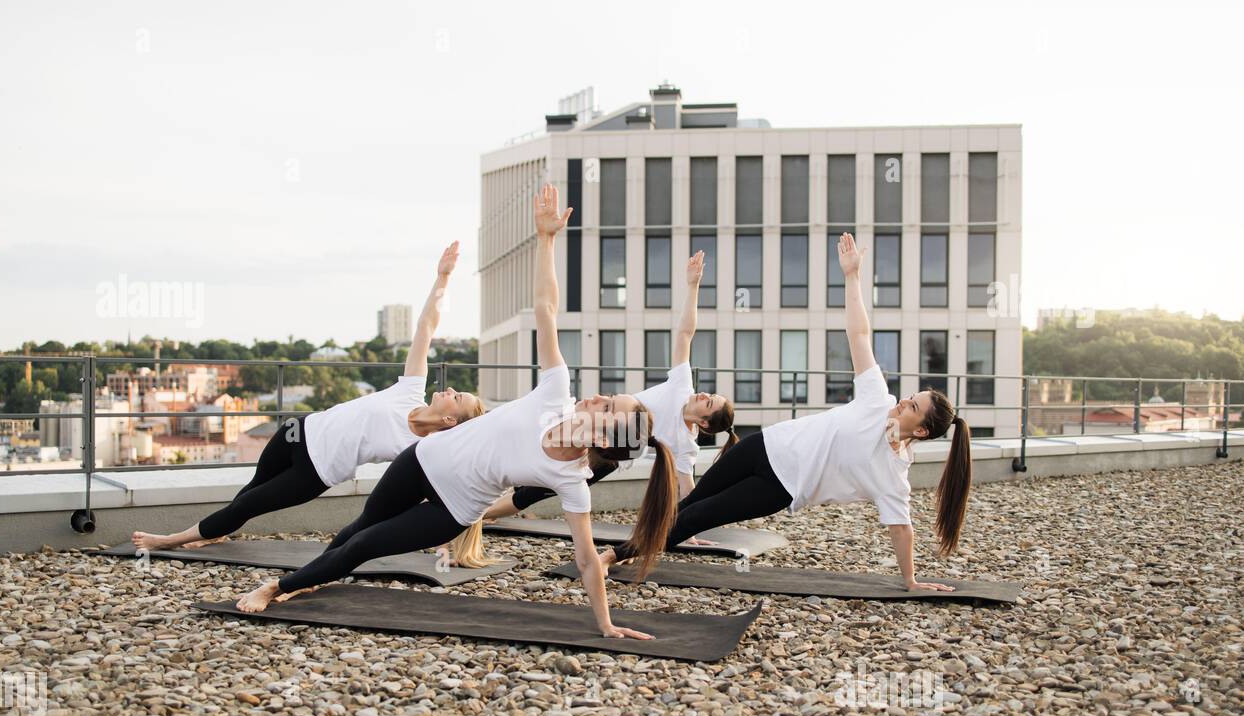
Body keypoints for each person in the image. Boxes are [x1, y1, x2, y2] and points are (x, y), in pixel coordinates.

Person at [233, 185, 680, 641]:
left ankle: (277, 587)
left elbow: (586, 559)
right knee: (360, 526)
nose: (598, 397)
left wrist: (605, 623)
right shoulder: (555, 392)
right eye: (608, 396)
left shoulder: (571, 480)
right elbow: (546, 308)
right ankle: (308, 579)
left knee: (366, 544)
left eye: (607, 408)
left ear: (604, 440)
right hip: (420, 462)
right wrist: (546, 241)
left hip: (453, 506)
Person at [605, 233, 972, 593]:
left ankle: (613, 556)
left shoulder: (892, 474)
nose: (903, 401)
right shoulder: (877, 398)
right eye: (910, 396)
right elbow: (859, 334)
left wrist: (909, 580)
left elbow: (901, 528)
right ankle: (637, 544)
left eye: (913, 406)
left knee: (698, 517)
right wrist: (852, 276)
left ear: (921, 431)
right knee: (691, 502)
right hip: (763, 445)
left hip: (781, 486)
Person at [131, 242, 484, 555]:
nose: (450, 390)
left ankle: (167, 541)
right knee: (251, 491)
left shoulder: (416, 448)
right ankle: (213, 532)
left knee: (248, 505)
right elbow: (425, 327)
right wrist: (443, 278)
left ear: (450, 420)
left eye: (458, 397)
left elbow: (435, 482)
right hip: (297, 430)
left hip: (315, 471)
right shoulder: (409, 390)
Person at [483, 249, 737, 538]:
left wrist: (688, 533)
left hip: (608, 453)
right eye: (710, 394)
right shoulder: (681, 385)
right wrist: (693, 286)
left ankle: (482, 516)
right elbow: (685, 334)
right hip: (592, 424)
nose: (704, 394)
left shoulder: (685, 443)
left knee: (535, 491)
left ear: (704, 422)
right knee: (525, 450)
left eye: (710, 402)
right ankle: (479, 498)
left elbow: (686, 488)